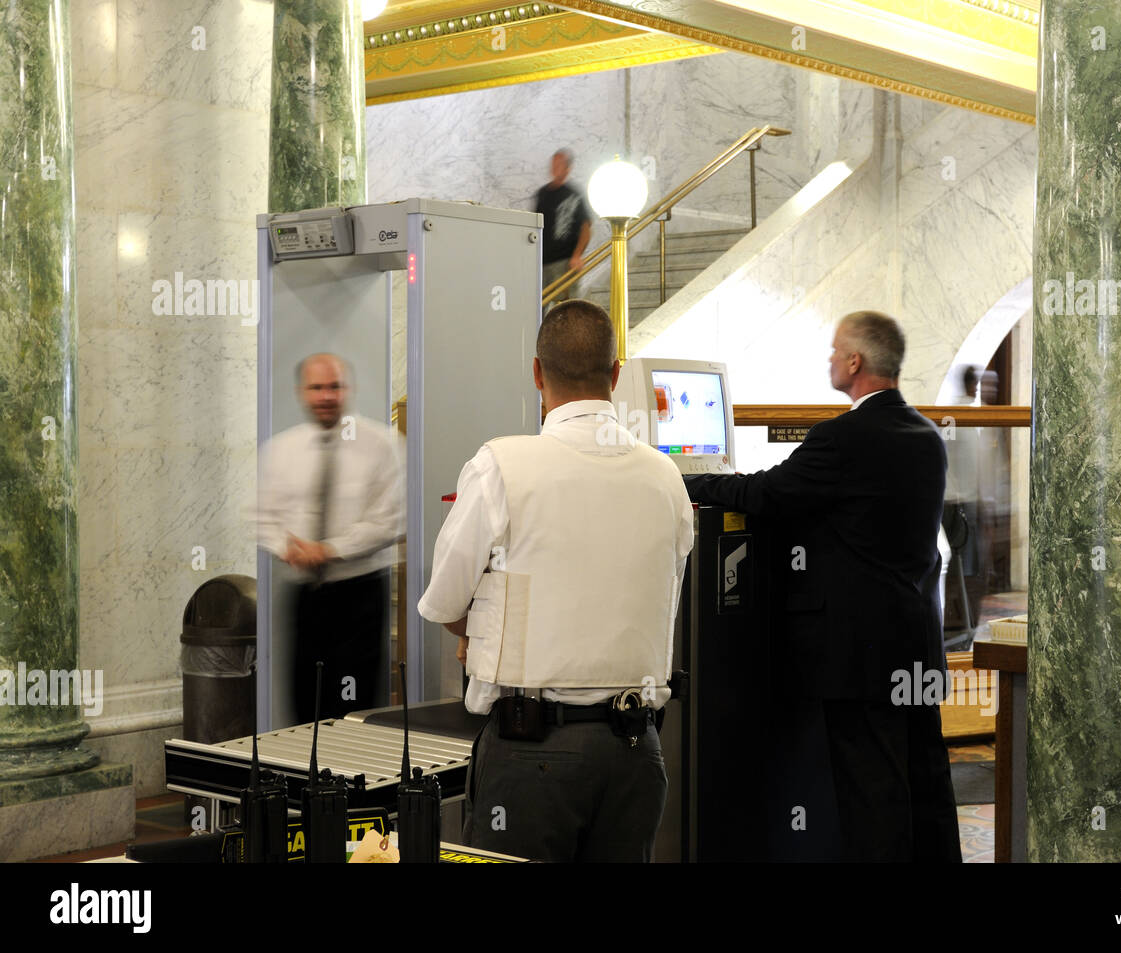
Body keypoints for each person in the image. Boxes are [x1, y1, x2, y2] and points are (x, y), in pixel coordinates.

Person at [417, 300, 693, 862]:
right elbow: (664, 595)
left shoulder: (502, 466)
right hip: (637, 752)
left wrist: (484, 626)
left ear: (537, 372)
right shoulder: (668, 478)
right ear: (615, 376)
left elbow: (446, 600)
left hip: (533, 754)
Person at [682, 311, 962, 862]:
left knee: (872, 796)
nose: (831, 360)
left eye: (835, 352)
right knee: (926, 786)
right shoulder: (927, 435)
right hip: (918, 647)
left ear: (855, 362)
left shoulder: (844, 436)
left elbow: (767, 493)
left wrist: (682, 477)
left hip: (860, 656)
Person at [254, 353, 404, 724]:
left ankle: (352, 779)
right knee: (305, 703)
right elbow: (260, 517)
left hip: (360, 597)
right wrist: (286, 547)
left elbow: (391, 520)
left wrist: (329, 550)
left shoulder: (381, 444)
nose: (326, 396)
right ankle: (306, 780)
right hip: (306, 599)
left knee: (355, 706)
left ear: (347, 389)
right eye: (317, 387)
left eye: (334, 387)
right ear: (301, 392)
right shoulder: (280, 450)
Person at [535, 148, 593, 302]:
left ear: (568, 168)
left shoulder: (574, 194)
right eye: (553, 164)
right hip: (542, 263)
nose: (554, 168)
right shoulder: (542, 193)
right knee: (538, 308)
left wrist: (577, 256)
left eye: (559, 164)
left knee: (565, 307)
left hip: (564, 262)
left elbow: (586, 228)